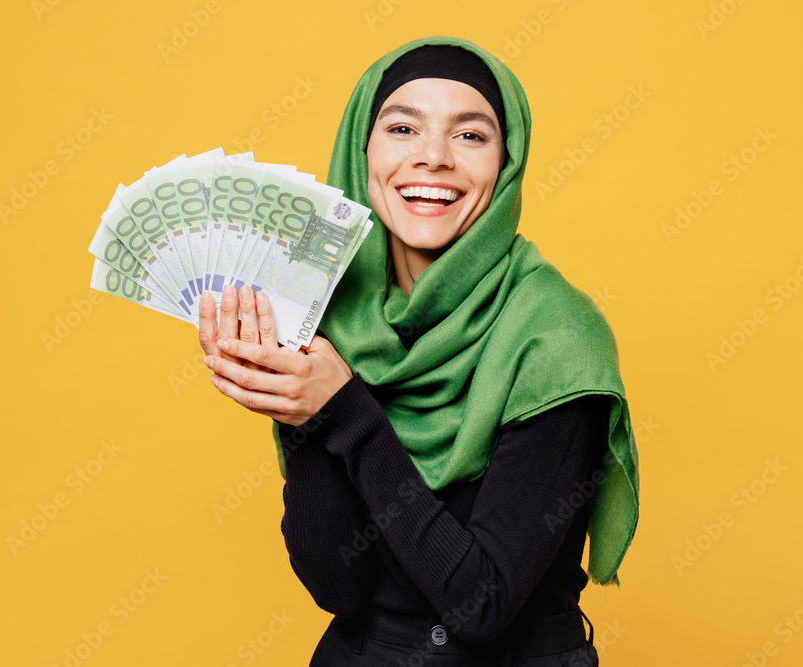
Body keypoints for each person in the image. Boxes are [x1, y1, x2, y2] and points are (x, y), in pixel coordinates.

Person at [198, 35, 639, 666]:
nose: (432, 158)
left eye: (470, 135)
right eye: (403, 128)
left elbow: (480, 605)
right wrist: (299, 412)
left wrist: (343, 410)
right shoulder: (331, 319)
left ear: (506, 164)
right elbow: (339, 589)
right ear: (362, 150)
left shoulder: (557, 336)